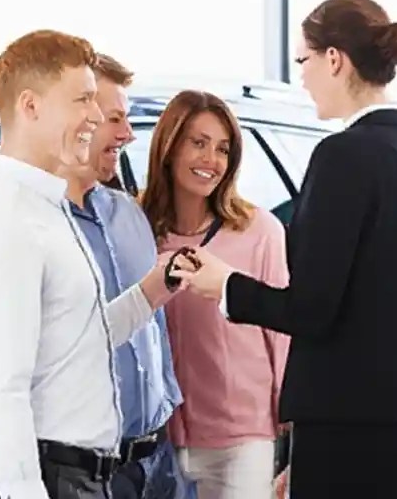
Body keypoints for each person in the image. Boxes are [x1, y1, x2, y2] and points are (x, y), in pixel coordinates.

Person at [171, 0, 397, 499]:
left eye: (302, 60)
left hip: (349, 429)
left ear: (334, 59)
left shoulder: (342, 157)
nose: (301, 78)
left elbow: (312, 308)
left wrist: (226, 285)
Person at [0, 29, 193, 499]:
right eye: (82, 100)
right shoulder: (5, 222)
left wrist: (151, 292)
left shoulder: (49, 209)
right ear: (31, 106)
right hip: (49, 478)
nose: (96, 116)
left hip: (84, 478)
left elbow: (79, 339)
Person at [139, 89, 289, 499]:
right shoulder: (134, 227)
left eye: (223, 149)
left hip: (242, 441)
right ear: (169, 146)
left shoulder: (259, 230)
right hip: (157, 442)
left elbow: (282, 335)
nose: (211, 160)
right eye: (198, 143)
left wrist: (292, 424)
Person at [56, 53, 184, 498]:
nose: (128, 134)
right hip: (84, 476)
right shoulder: (36, 229)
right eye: (114, 119)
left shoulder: (130, 213)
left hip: (158, 465)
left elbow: (155, 334)